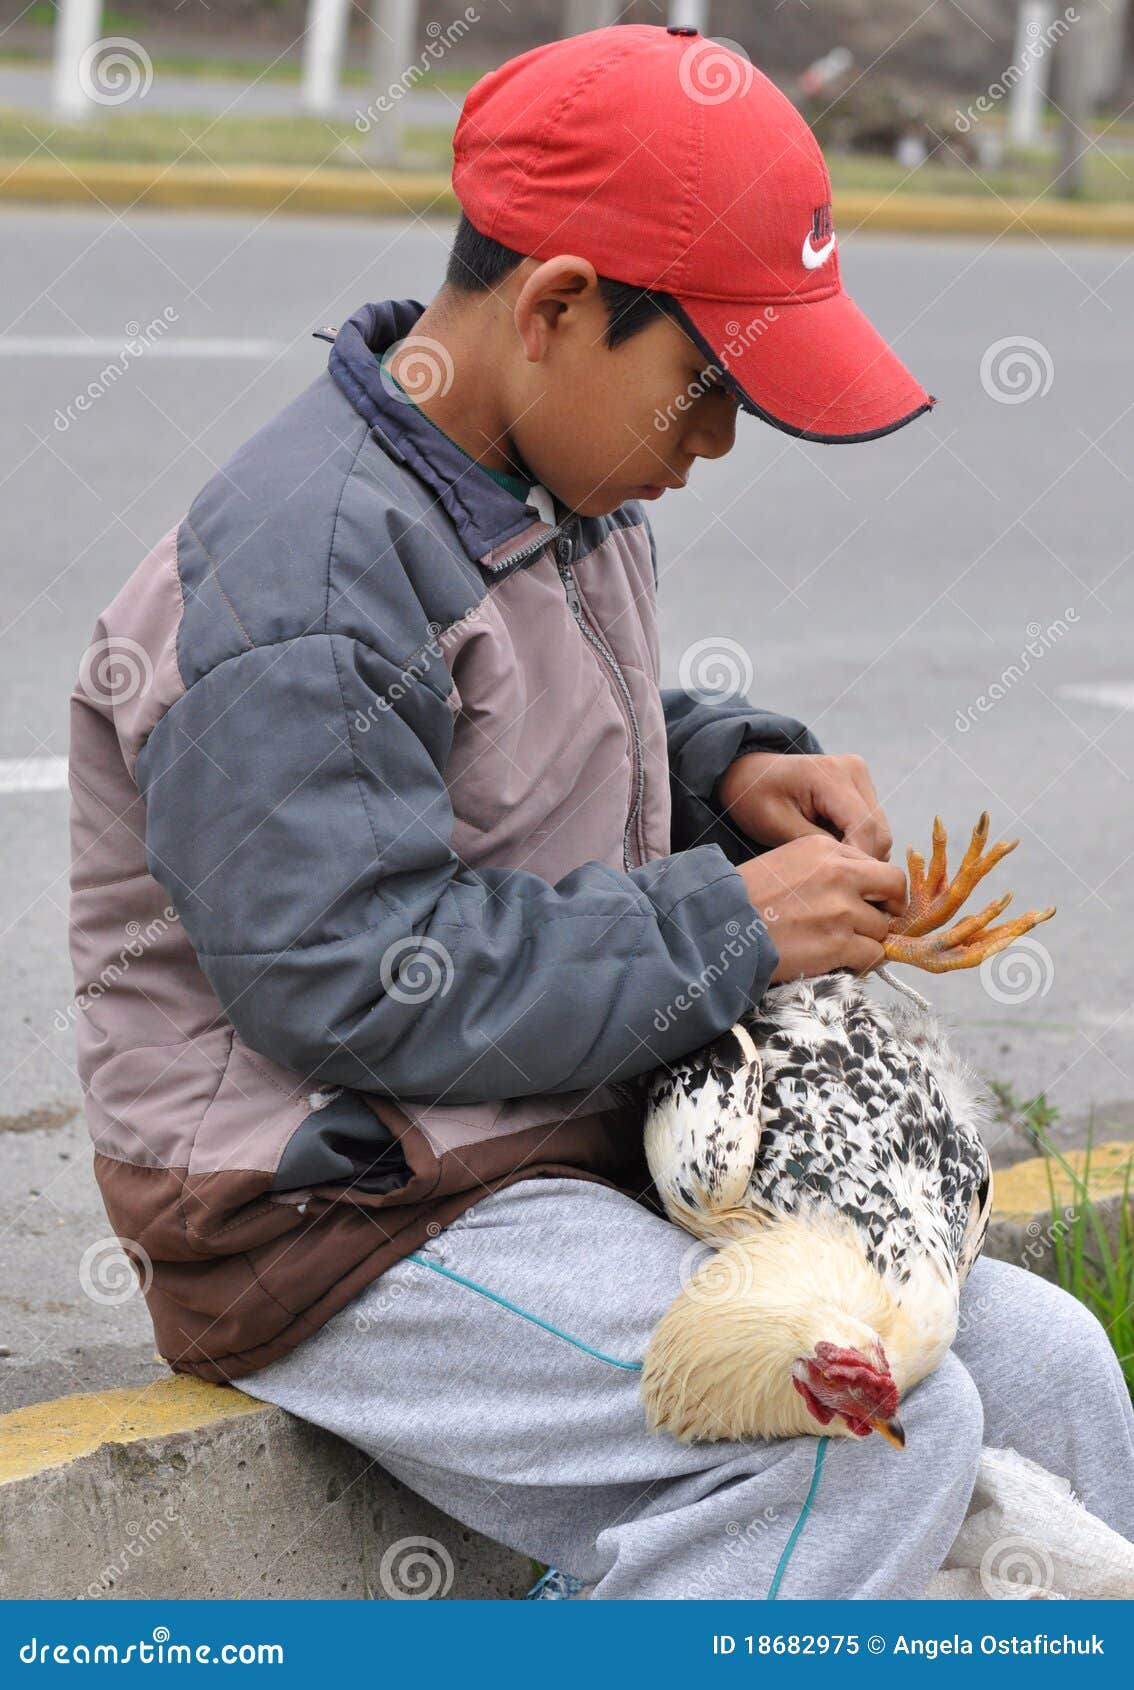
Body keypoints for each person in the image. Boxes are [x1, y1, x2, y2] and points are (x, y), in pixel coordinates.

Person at [68, 25, 1133, 1598]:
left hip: (539, 1146)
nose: (714, 443)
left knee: (1042, 1360)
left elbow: (525, 747)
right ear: (558, 305)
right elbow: (348, 971)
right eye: (704, 387)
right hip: (338, 1217)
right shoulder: (303, 567)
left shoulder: (558, 488)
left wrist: (720, 778)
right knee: (844, 1424)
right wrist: (731, 928)